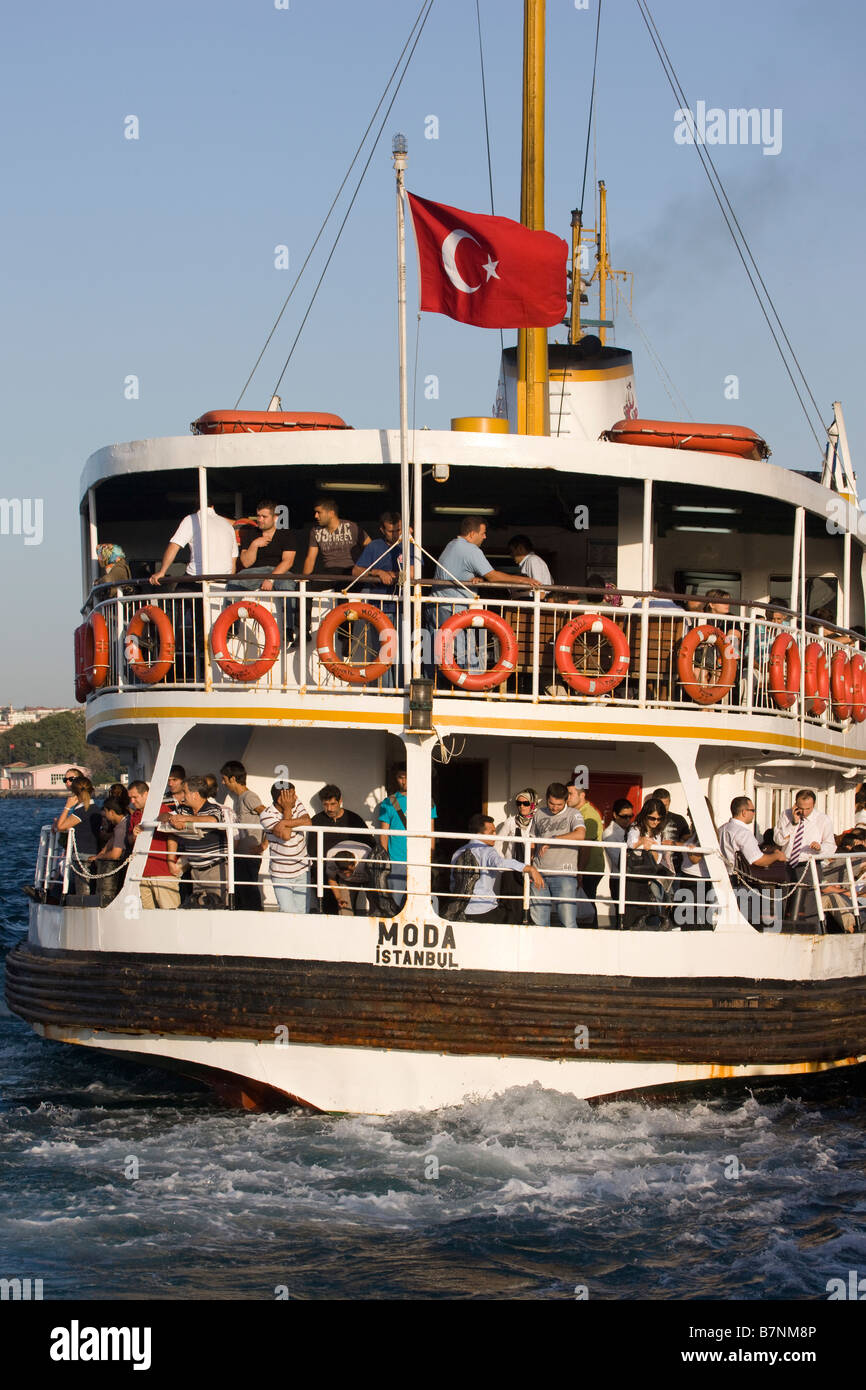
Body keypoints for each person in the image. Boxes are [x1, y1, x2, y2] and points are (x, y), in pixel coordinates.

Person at [429, 516, 542, 676]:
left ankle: (439, 688)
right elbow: (493, 576)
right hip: (454, 609)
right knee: (463, 653)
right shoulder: (471, 550)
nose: (485, 537)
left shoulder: (452, 545)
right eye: (482, 533)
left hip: (438, 606)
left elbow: (460, 571)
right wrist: (524, 580)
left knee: (440, 653)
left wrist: (476, 578)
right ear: (471, 534)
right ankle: (474, 687)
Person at [350, 513, 410, 687]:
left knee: (401, 653)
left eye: (399, 530)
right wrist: (377, 572)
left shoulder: (409, 545)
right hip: (380, 609)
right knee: (382, 652)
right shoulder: (375, 547)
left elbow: (414, 572)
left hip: (403, 610)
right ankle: (383, 691)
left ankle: (400, 689)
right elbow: (356, 571)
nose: (396, 534)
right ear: (382, 530)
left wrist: (398, 575)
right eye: (391, 531)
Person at [447, 814, 543, 922]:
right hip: (483, 910)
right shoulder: (487, 851)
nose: (495, 834)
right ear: (479, 834)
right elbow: (500, 864)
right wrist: (528, 868)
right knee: (515, 918)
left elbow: (453, 882)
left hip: (459, 909)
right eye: (492, 832)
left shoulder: (458, 852)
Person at [375, 763, 437, 910]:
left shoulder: (428, 801)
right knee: (396, 902)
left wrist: (431, 856)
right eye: (400, 777)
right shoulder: (389, 802)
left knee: (422, 901)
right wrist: (386, 859)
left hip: (420, 859)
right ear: (396, 779)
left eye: (407, 777)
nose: (404, 781)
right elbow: (384, 834)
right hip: (396, 859)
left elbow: (431, 832)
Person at [529, 782, 589, 929]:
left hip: (565, 874)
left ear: (566, 800)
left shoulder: (574, 814)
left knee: (568, 921)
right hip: (539, 874)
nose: (554, 807)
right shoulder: (539, 813)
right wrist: (530, 866)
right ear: (546, 799)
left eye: (559, 804)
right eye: (551, 803)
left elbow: (581, 834)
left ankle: (571, 951)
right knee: (539, 923)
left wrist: (553, 840)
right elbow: (531, 841)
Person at [167, 776, 229, 907]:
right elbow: (164, 816)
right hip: (195, 870)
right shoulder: (184, 809)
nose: (182, 795)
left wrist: (184, 820)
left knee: (218, 905)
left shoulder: (213, 808)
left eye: (185, 792)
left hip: (215, 870)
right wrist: (172, 819)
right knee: (198, 907)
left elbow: (212, 820)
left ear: (194, 795)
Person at [310, 784, 370, 912]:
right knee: (327, 908)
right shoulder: (316, 820)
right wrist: (314, 873)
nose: (329, 808)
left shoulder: (353, 819)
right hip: (325, 872)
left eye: (333, 804)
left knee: (347, 907)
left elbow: (369, 844)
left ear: (340, 800)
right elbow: (311, 850)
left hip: (349, 872)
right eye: (325, 805)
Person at [149, 506, 238, 585]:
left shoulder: (192, 519)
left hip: (197, 577)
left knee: (178, 600)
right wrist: (228, 583)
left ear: (195, 506)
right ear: (213, 506)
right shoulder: (227, 524)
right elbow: (233, 559)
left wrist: (162, 572)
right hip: (223, 580)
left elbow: (174, 545)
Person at [127, 780, 181, 909]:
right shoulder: (135, 815)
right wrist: (133, 835)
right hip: (142, 872)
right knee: (147, 914)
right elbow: (129, 840)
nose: (132, 801)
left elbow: (173, 836)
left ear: (146, 794)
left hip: (162, 871)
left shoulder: (163, 810)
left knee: (169, 912)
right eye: (131, 798)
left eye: (135, 797)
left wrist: (170, 861)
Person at [623, 797, 675, 930]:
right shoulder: (636, 828)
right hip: (637, 876)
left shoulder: (658, 832)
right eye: (652, 818)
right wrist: (642, 841)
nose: (655, 822)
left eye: (659, 819)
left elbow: (658, 857)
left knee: (654, 909)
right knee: (636, 913)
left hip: (652, 876)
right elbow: (631, 843)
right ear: (645, 815)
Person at [259, 782, 312, 912]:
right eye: (292, 795)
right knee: (288, 911)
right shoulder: (266, 815)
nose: (296, 797)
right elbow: (286, 835)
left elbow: (308, 821)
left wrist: (283, 822)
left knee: (303, 911)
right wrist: (288, 810)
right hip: (281, 873)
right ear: (281, 799)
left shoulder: (296, 802)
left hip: (302, 868)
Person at [220, 761, 266, 911]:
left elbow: (269, 817)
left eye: (225, 779)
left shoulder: (249, 797)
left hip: (249, 856)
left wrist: (263, 845)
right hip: (241, 855)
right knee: (240, 893)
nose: (223, 782)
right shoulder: (239, 798)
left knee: (249, 893)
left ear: (233, 779)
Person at [719, 797, 788, 884]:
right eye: (752, 810)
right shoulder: (743, 832)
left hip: (721, 877)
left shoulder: (721, 829)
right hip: (738, 881)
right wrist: (777, 855)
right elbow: (758, 860)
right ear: (744, 812)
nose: (754, 813)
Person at [302, 496, 369, 577]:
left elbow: (371, 547)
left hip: (351, 571)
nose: (315, 516)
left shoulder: (351, 527)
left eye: (319, 512)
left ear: (331, 513)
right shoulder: (315, 530)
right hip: (329, 572)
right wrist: (304, 581)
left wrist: (363, 567)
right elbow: (310, 559)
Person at [566, 781, 605, 925]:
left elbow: (585, 846)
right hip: (586, 868)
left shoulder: (588, 815)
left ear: (582, 795)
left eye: (570, 794)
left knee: (586, 906)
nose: (567, 797)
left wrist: (580, 872)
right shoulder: (577, 813)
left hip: (589, 868)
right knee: (585, 904)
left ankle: (591, 936)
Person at [56, 776, 101, 896]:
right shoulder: (96, 809)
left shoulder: (82, 811)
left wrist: (67, 807)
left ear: (74, 793)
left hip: (81, 855)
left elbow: (60, 827)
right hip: (93, 852)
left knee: (70, 889)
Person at [774, 789, 835, 867]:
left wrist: (820, 847)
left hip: (810, 864)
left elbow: (831, 846)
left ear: (814, 804)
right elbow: (779, 841)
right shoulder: (786, 815)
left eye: (808, 809)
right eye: (801, 808)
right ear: (795, 804)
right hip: (786, 863)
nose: (804, 812)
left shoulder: (823, 819)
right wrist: (793, 823)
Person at [89, 796, 129, 902]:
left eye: (105, 812)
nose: (105, 816)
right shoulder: (124, 822)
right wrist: (101, 853)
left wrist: (99, 857)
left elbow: (115, 854)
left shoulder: (121, 828)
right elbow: (113, 838)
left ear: (111, 812)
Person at [603, 799, 635, 926]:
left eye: (630, 816)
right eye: (624, 817)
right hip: (619, 878)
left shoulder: (631, 830)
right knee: (622, 916)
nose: (627, 820)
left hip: (631, 878)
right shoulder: (609, 834)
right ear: (615, 815)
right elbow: (620, 861)